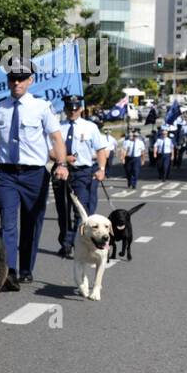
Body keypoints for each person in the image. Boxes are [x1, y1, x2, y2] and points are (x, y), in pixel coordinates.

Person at [0, 58, 67, 290]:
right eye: (12, 78)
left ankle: (26, 268)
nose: (17, 82)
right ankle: (8, 271)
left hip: (35, 175)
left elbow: (56, 138)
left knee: (31, 223)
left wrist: (61, 164)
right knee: (7, 224)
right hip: (7, 174)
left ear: (30, 80)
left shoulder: (42, 107)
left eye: (21, 78)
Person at [52, 95, 108, 259]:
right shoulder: (57, 128)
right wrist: (61, 159)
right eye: (69, 108)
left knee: (80, 211)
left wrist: (102, 169)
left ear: (81, 109)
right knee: (63, 211)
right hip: (61, 172)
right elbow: (49, 150)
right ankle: (65, 241)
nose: (72, 112)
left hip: (82, 173)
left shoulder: (90, 127)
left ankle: (74, 243)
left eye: (76, 109)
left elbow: (100, 150)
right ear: (65, 109)